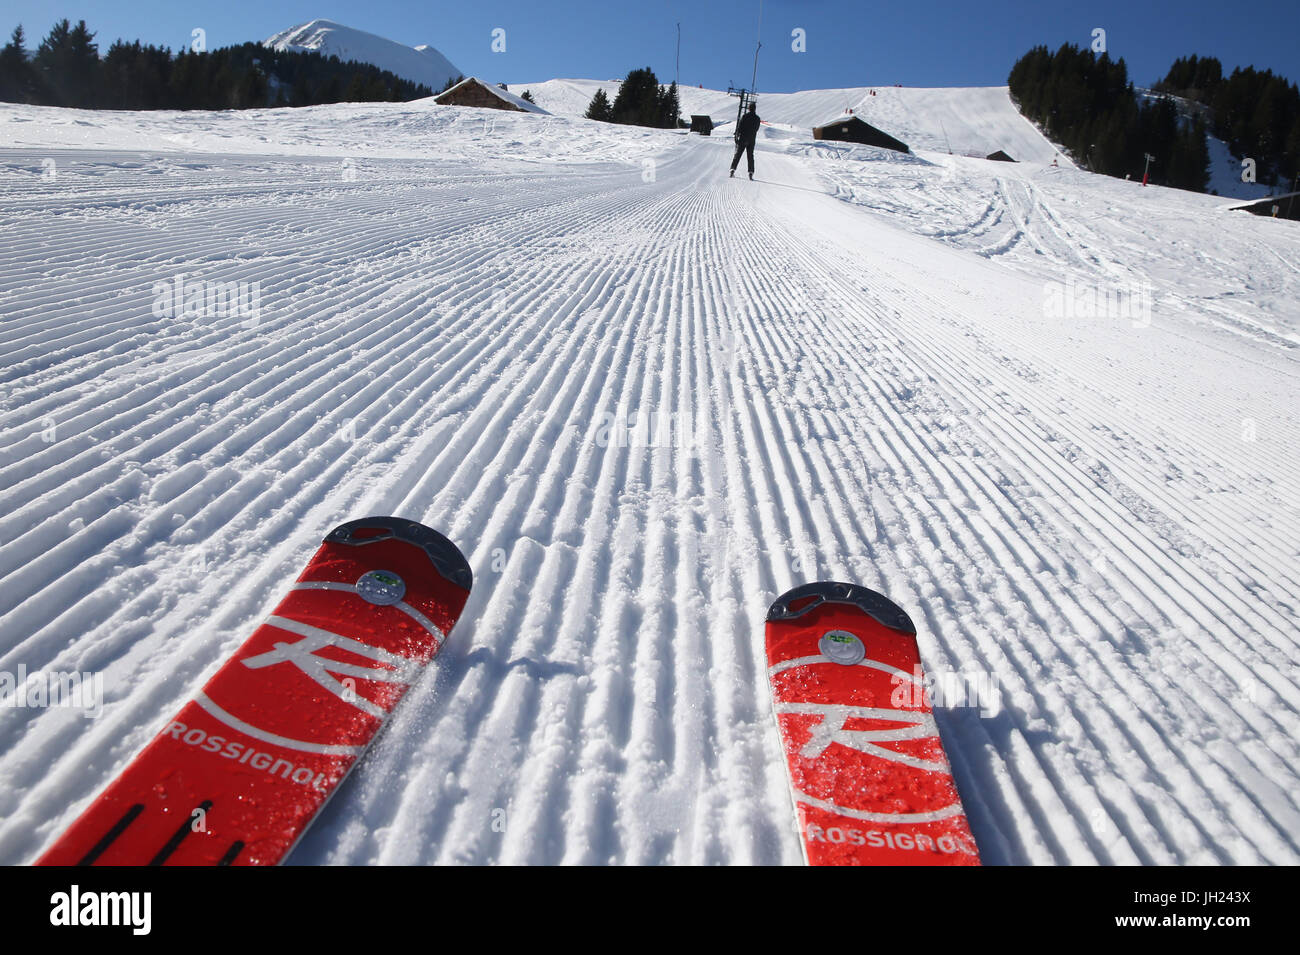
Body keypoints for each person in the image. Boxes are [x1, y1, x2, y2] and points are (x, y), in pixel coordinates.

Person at [730, 102, 761, 180]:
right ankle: (751, 173)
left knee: (738, 154)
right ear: (755, 109)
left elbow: (740, 127)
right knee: (750, 156)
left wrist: (737, 136)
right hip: (751, 140)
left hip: (743, 138)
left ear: (748, 108)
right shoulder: (757, 118)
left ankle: (732, 170)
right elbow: (756, 129)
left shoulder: (745, 116)